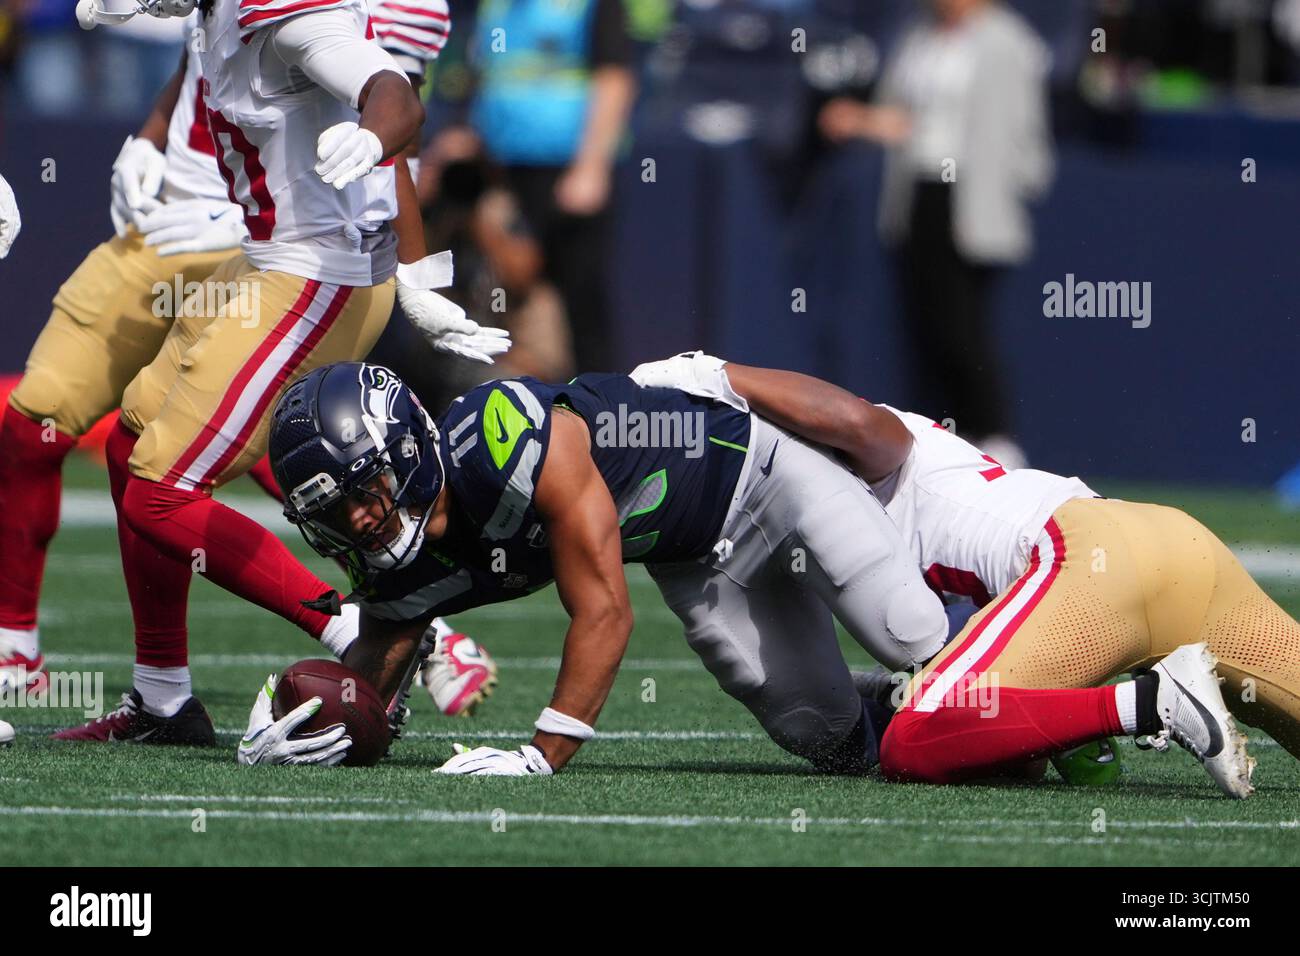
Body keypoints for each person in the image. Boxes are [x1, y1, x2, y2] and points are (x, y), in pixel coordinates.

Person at [240, 359, 1250, 801]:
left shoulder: (506, 439)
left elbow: (600, 607)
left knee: (908, 629)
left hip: (764, 473)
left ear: (405, 447)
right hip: (697, 553)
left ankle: (1055, 670)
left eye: (365, 492)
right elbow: (372, 672)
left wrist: (542, 754)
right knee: (832, 741)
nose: (361, 522)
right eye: (337, 513)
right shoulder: (402, 558)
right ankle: (973, 725)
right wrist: (308, 723)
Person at [52, 0, 508, 743]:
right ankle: (162, 700)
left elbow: (393, 93)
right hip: (268, 257)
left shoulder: (285, 12)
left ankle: (362, 628)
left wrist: (373, 142)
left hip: (315, 276)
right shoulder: (219, 13)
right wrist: (152, 131)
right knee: (128, 442)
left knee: (159, 495)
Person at [643, 353, 1287, 793]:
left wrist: (714, 374)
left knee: (916, 739)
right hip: (1173, 544)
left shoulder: (844, 456)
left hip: (1087, 559)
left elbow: (865, 427)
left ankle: (1154, 701)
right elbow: (1004, 736)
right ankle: (1144, 697)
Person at [819, 0, 1053, 466]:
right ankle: (951, 446)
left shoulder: (1009, 42)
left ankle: (996, 440)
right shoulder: (917, 37)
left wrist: (1002, 188)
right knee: (927, 328)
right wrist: (868, 122)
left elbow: (1026, 140)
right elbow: (903, 116)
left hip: (972, 201)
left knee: (962, 326)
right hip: (919, 196)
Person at [465, 0, 636, 373]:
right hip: (506, 170)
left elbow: (614, 79)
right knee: (508, 297)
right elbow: (491, 76)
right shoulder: (497, 7)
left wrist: (591, 166)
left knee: (581, 299)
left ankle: (599, 411)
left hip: (566, 169)